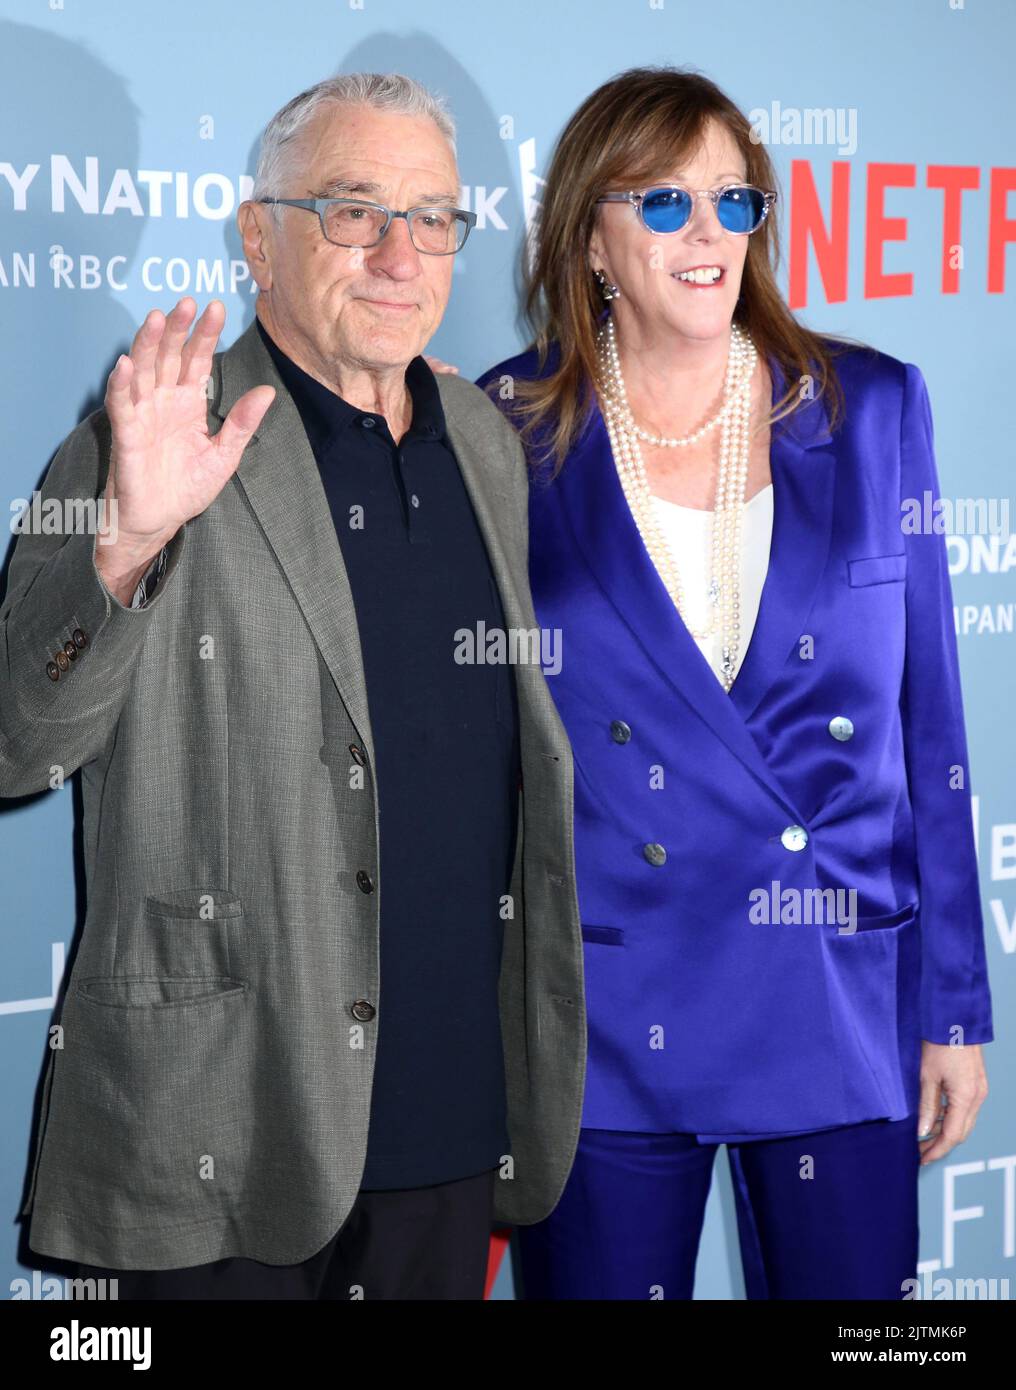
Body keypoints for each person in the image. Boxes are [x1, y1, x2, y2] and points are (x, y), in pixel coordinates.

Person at [1, 72, 584, 1300]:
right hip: (223, 1122)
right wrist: (124, 545)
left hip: (442, 1120)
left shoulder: (483, 441)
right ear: (258, 234)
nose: (396, 253)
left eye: (431, 217)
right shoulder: (152, 431)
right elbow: (15, 739)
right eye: (352, 209)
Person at [478, 65, 992, 1300]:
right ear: (590, 240)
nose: (707, 235)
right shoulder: (502, 426)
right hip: (606, 1012)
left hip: (835, 992)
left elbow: (931, 734)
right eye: (662, 203)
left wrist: (954, 1005)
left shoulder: (869, 407)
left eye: (734, 200)